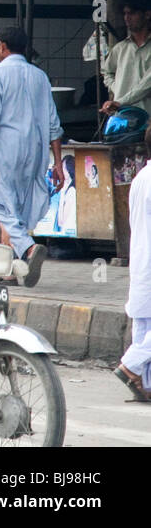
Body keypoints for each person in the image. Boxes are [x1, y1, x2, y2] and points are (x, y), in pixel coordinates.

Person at [0, 28, 62, 287]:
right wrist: (57, 163)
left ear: (1, 46)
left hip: (5, 149)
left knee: (0, 208)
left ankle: (29, 249)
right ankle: (8, 270)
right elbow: (54, 123)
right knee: (17, 208)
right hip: (35, 149)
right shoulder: (40, 76)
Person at [115, 136, 151, 403]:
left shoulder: (140, 178)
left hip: (141, 260)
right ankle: (131, 364)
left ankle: (143, 384)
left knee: (143, 325)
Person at [101, 0, 151, 119]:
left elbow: (147, 85)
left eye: (132, 13)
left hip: (147, 118)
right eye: (125, 14)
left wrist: (120, 101)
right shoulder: (120, 48)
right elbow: (106, 72)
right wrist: (117, 87)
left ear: (147, 15)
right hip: (121, 118)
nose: (127, 18)